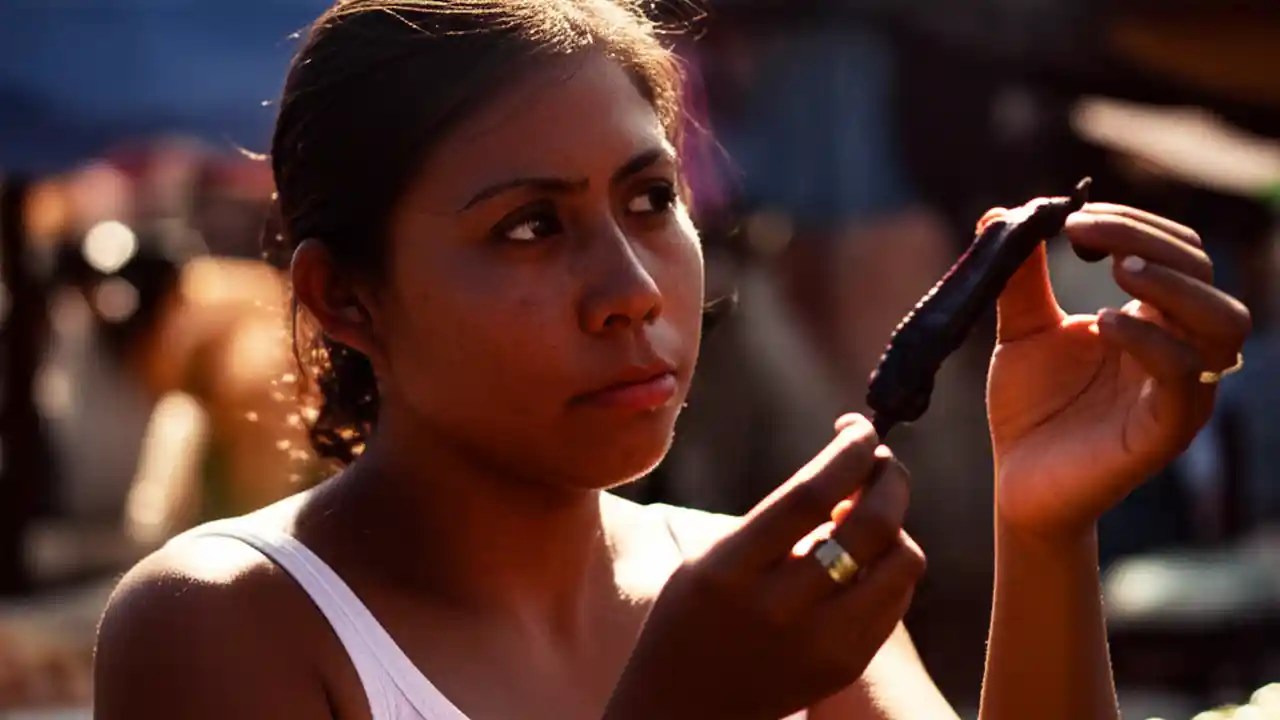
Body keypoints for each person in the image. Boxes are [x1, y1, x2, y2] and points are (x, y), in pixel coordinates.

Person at [91, 1, 1252, 718]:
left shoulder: (761, 594)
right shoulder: (229, 624)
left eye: (651, 201)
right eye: (529, 227)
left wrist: (1041, 531)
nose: (633, 292)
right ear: (344, 298)